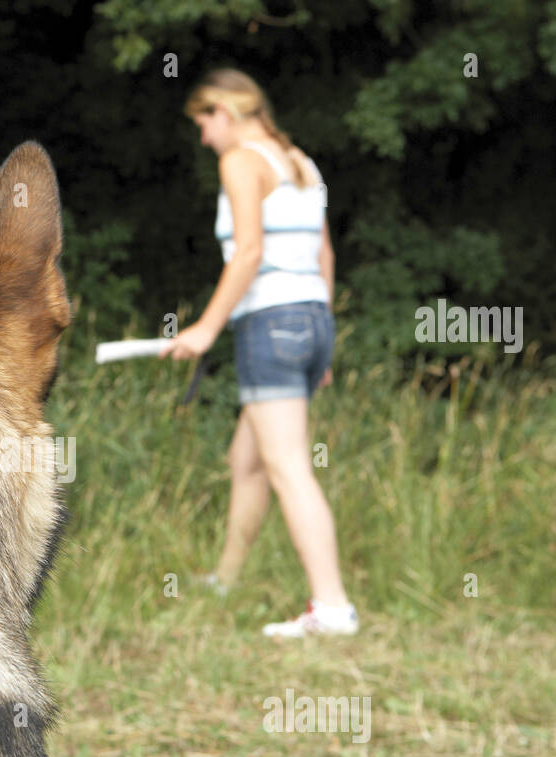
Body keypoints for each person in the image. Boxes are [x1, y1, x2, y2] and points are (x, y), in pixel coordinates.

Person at [159, 68, 358, 638]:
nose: (203, 138)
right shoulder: (300, 161)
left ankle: (332, 607)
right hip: (310, 319)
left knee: (289, 467)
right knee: (247, 461)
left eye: (204, 123)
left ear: (224, 112)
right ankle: (227, 579)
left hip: (270, 323)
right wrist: (322, 340)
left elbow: (247, 254)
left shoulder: (242, 161)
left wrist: (204, 328)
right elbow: (324, 251)